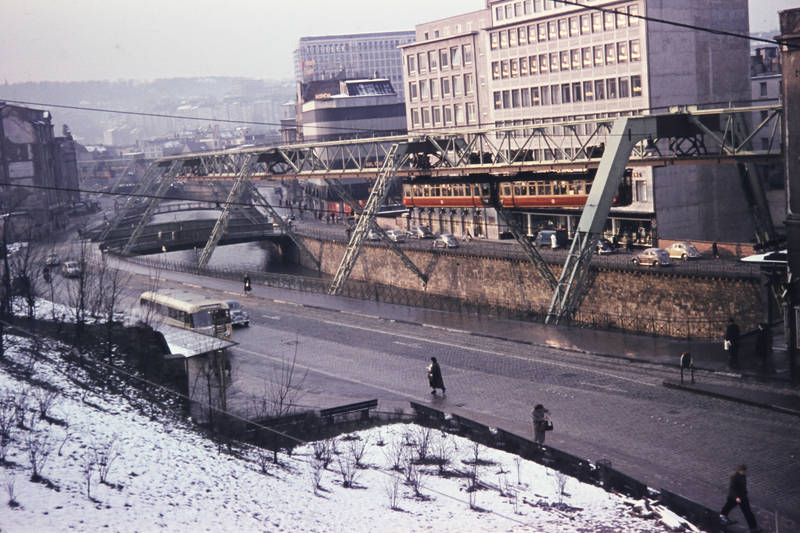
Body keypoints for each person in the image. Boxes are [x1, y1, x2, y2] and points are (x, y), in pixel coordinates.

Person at [720, 464, 759, 532]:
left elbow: (743, 486)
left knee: (747, 512)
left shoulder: (743, 476)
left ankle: (753, 527)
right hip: (735, 497)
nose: (744, 472)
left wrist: (745, 493)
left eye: (744, 471)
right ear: (739, 470)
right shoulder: (734, 477)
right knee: (728, 507)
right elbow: (732, 489)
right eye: (743, 471)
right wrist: (736, 497)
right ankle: (723, 516)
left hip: (742, 497)